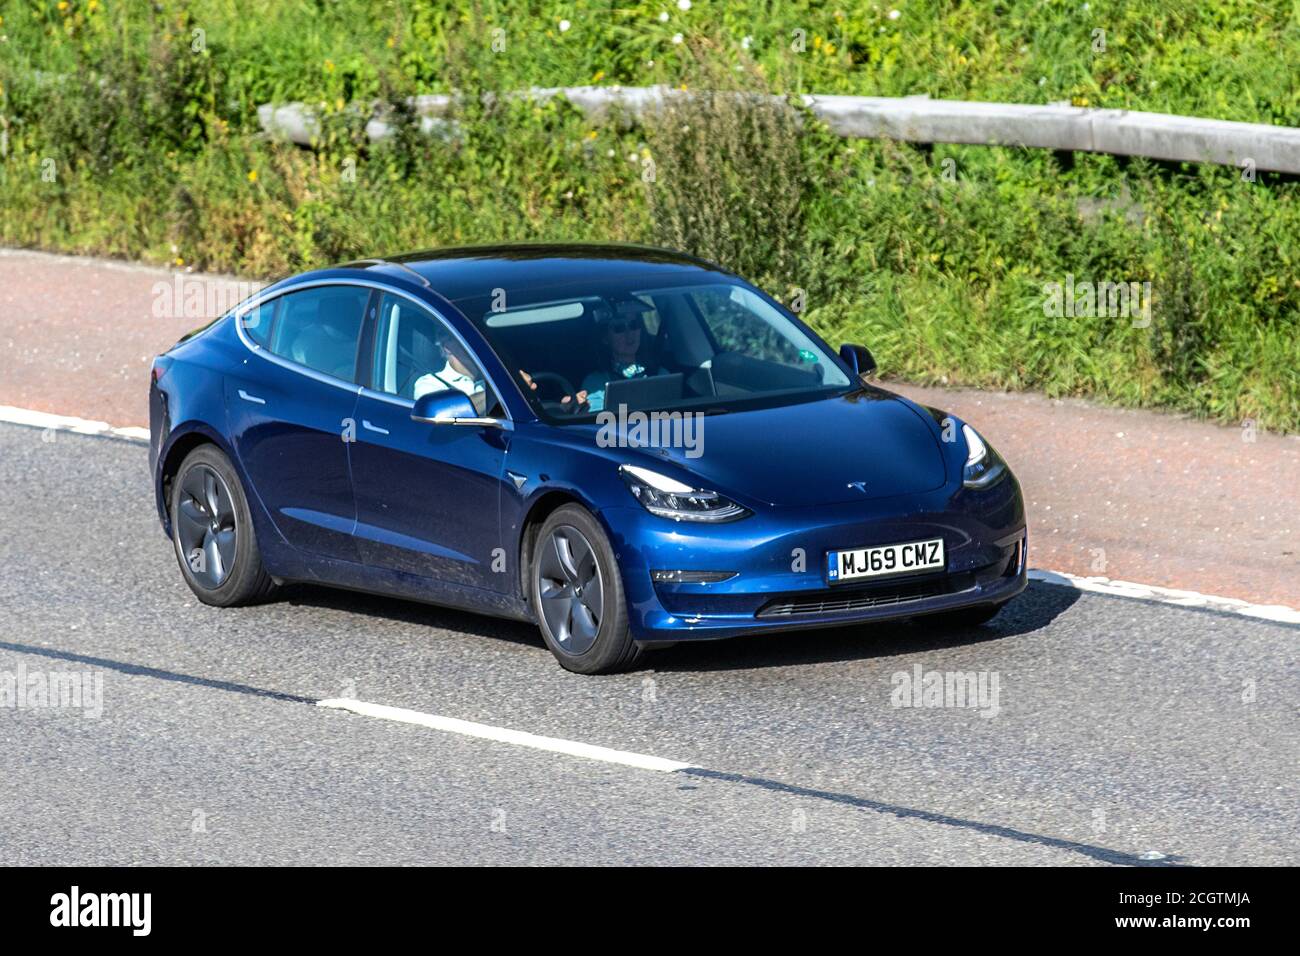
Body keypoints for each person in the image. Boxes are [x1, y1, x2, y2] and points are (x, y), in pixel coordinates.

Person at [580, 298, 664, 412]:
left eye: (634, 325)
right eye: (619, 328)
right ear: (605, 338)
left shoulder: (661, 374)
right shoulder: (595, 384)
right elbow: (597, 423)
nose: (629, 333)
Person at [414, 336, 487, 413]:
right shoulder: (429, 383)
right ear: (447, 347)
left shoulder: (491, 379)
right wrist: (493, 395)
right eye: (466, 340)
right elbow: (445, 413)